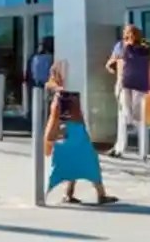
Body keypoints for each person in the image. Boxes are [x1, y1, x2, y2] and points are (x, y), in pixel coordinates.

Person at [44, 64, 118, 205]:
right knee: (89, 161)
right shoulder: (63, 94)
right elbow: (64, 116)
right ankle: (100, 194)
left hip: (70, 131)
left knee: (69, 162)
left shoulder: (61, 93)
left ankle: (67, 193)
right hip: (74, 131)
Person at [108, 25, 150, 158]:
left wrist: (115, 68)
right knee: (140, 118)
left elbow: (111, 63)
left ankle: (120, 148)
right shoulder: (146, 47)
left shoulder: (122, 46)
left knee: (124, 116)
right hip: (140, 85)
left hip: (125, 84)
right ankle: (143, 151)